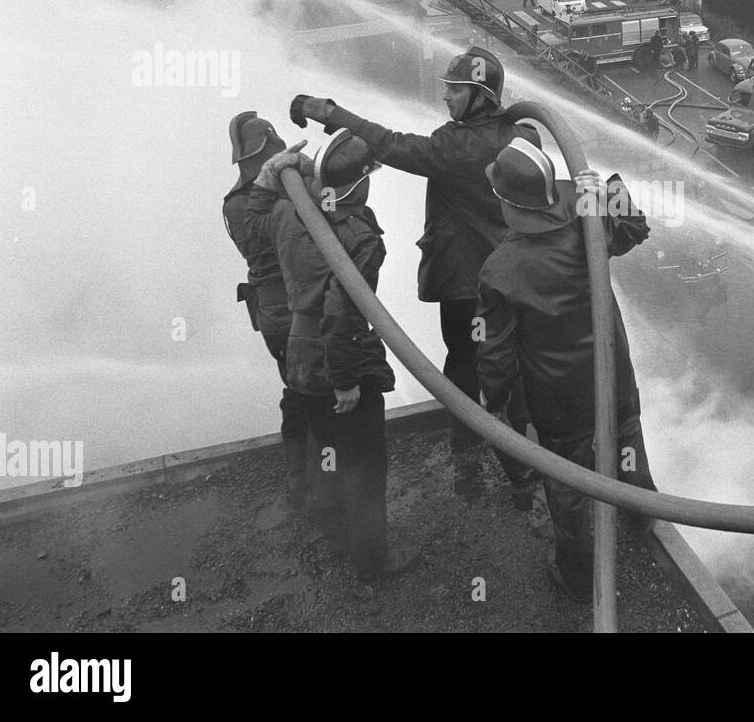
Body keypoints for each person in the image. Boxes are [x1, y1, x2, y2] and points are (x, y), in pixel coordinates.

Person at [289, 47, 537, 502]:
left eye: (455, 90)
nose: (445, 96)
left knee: (463, 371)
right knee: (510, 367)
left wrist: (329, 113)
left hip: (466, 287)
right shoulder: (520, 137)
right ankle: (524, 467)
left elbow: (389, 145)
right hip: (512, 281)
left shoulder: (454, 148)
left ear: (480, 96)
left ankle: (476, 469)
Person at [476, 140, 656, 602]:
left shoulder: (501, 269)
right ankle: (642, 515)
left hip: (560, 394)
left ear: (507, 202)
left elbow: (494, 351)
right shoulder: (585, 218)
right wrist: (610, 190)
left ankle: (578, 578)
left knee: (568, 479)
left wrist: (492, 402)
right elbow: (636, 226)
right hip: (612, 368)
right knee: (626, 435)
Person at [245, 133, 416, 582]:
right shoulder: (360, 238)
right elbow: (342, 312)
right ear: (360, 185)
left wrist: (267, 179)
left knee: (329, 451)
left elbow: (251, 226)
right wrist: (346, 379)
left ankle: (334, 532)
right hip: (340, 358)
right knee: (365, 465)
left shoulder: (287, 213)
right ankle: (371, 562)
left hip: (299, 355)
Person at [223, 112, 305, 504]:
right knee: (306, 390)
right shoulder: (254, 202)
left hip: (275, 311)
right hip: (288, 309)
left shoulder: (240, 199)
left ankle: (305, 474)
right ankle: (312, 478)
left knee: (298, 386)